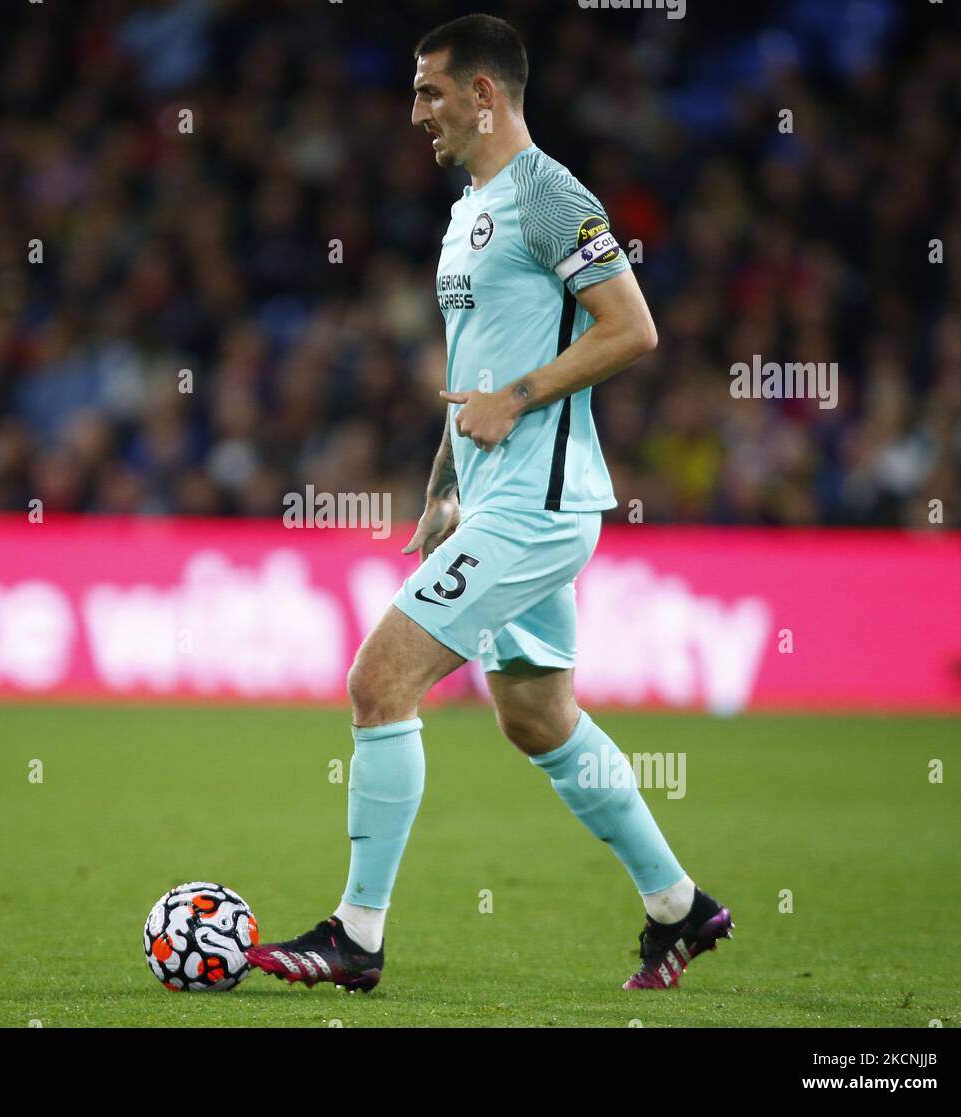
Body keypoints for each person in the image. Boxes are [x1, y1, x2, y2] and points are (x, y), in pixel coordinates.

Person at [248, 13, 732, 992]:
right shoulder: (472, 206)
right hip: (492, 502)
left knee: (379, 681)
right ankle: (679, 904)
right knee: (536, 716)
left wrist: (514, 402)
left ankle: (356, 935)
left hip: (541, 508)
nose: (414, 110)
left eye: (430, 91)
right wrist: (440, 491)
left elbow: (632, 329)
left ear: (484, 95)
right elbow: (472, 375)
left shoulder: (551, 196)